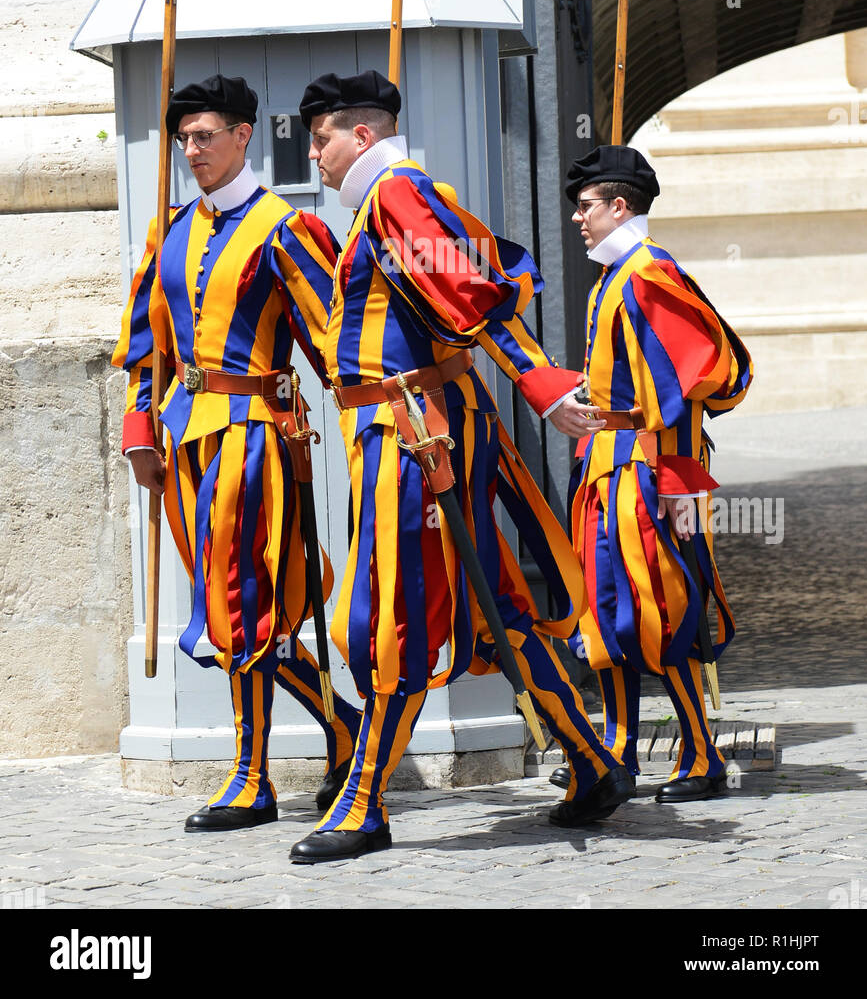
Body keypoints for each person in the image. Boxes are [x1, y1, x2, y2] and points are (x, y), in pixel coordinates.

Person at [283, 70, 633, 864]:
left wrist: (540, 384)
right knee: (494, 606)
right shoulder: (386, 201)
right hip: (415, 429)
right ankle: (590, 761)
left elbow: (472, 299)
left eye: (324, 138)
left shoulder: (399, 195)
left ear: (361, 135)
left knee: (387, 614)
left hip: (413, 436)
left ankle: (364, 803)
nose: (315, 156)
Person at [113, 74, 362, 831]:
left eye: (206, 136)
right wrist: (138, 435)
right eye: (184, 139)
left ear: (243, 136)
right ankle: (343, 725)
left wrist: (380, 425)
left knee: (238, 606)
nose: (192, 150)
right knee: (231, 611)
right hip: (184, 440)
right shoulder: (168, 231)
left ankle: (252, 778)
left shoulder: (287, 228)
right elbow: (146, 350)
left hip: (255, 436)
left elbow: (334, 341)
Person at [555, 144, 752, 802]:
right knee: (607, 616)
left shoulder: (646, 274)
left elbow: (705, 378)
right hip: (607, 474)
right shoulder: (619, 274)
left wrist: (672, 480)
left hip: (649, 475)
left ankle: (699, 756)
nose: (577, 219)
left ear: (619, 205)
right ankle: (615, 752)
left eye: (585, 207)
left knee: (659, 613)